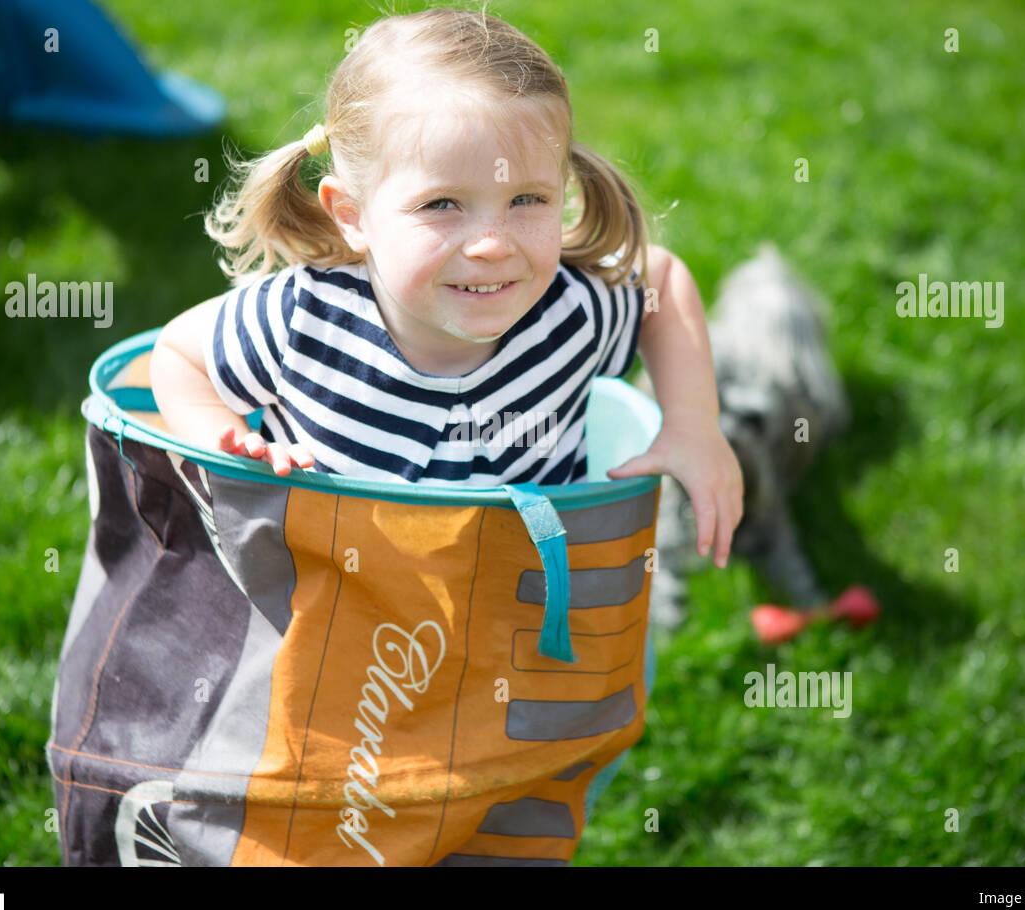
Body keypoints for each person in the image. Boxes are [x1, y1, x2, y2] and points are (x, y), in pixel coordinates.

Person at [150, 7, 742, 568]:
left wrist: (693, 423)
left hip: (516, 622)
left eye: (527, 199)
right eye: (442, 204)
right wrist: (224, 452)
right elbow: (179, 356)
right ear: (353, 215)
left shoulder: (570, 311)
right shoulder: (305, 319)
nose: (492, 244)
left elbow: (661, 278)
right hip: (342, 620)